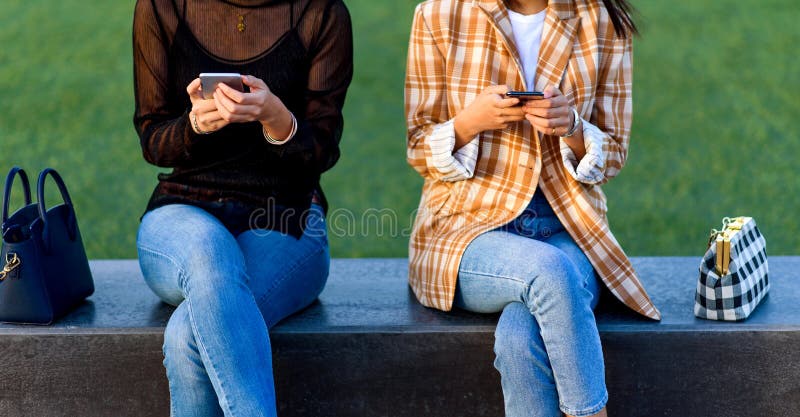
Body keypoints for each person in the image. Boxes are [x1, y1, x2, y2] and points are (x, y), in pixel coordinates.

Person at [404, 0, 660, 416]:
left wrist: (572, 126)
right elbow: (418, 148)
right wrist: (471, 122)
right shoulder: (438, 14)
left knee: (519, 338)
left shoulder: (601, 19)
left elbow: (613, 151)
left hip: (569, 230)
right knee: (548, 270)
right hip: (466, 231)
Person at [132, 0, 352, 415]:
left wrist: (277, 119)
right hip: (183, 209)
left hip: (287, 217)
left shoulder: (322, 13)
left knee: (186, 335)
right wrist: (194, 124)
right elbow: (152, 140)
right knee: (209, 257)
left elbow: (322, 150)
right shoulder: (160, 8)